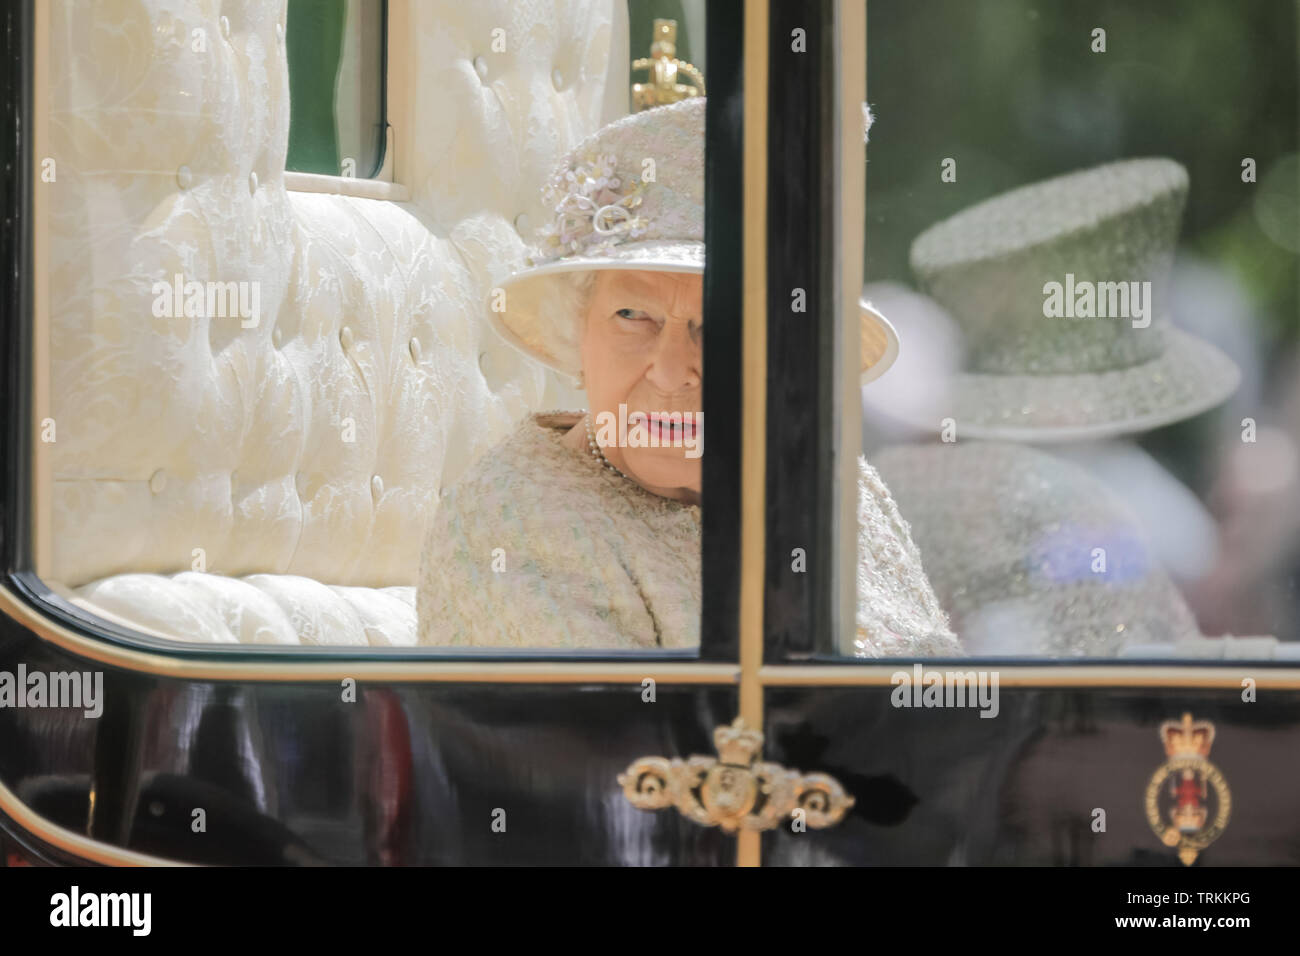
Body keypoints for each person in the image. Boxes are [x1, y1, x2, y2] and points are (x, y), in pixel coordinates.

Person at [417, 97, 958, 656]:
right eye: (633, 316)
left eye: (720, 325)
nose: (673, 372)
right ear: (579, 336)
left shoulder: (835, 486)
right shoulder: (515, 523)